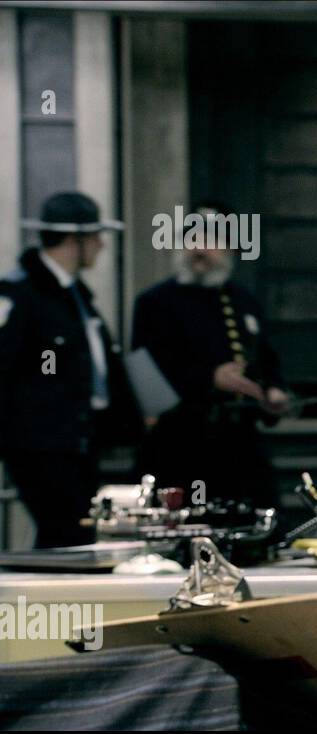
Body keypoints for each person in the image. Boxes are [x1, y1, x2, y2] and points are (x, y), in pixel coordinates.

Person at [0, 192, 142, 547]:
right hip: (40, 444)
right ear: (73, 240)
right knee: (67, 530)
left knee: (71, 534)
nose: (101, 246)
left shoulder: (73, 296)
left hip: (78, 440)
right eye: (95, 237)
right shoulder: (22, 294)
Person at [131, 200, 290, 509]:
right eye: (193, 239)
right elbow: (148, 373)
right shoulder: (155, 302)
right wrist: (209, 378)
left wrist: (273, 391)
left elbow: (265, 359)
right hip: (180, 442)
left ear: (230, 250)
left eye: (211, 240)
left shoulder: (244, 301)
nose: (200, 248)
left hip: (239, 442)